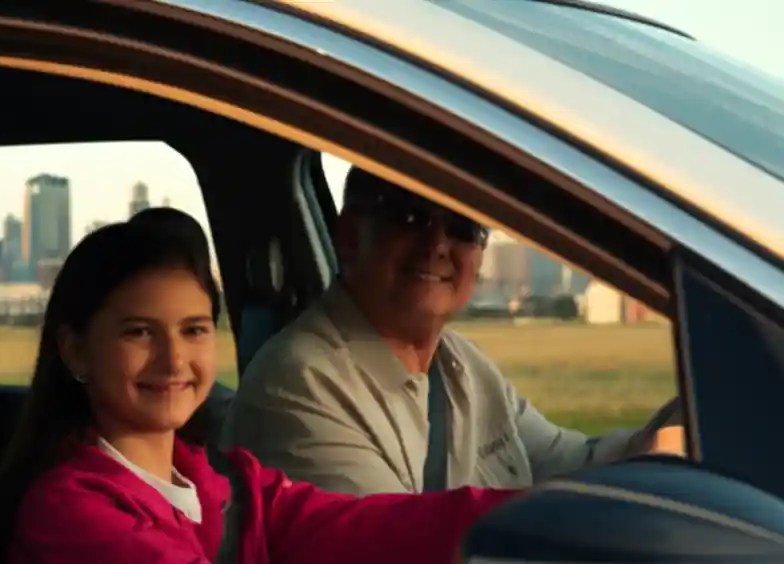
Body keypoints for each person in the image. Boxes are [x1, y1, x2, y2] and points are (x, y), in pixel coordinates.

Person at [0, 218, 518, 564]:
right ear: (76, 352)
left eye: (194, 329)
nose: (173, 360)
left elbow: (374, 532)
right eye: (138, 332)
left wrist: (543, 517)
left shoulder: (227, 484)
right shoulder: (69, 517)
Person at [221, 165, 684, 497]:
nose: (438, 245)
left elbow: (572, 462)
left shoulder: (462, 365)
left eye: (462, 226)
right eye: (408, 217)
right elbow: (400, 560)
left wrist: (676, 425)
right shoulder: (300, 383)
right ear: (349, 236)